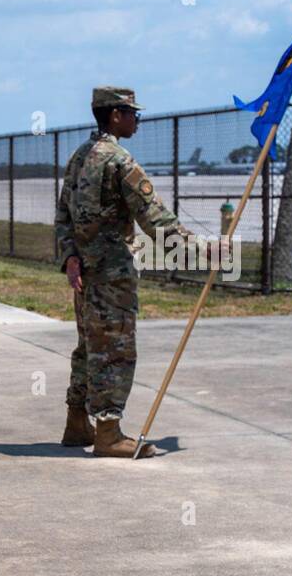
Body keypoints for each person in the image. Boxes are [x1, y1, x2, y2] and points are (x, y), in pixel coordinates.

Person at [56, 86, 199, 458]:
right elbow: (154, 218)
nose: (137, 119)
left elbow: (63, 216)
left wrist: (70, 257)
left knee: (89, 346)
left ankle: (76, 423)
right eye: (132, 113)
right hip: (112, 273)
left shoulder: (79, 157)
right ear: (115, 115)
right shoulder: (119, 161)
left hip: (84, 273)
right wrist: (200, 251)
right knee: (115, 350)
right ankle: (108, 432)